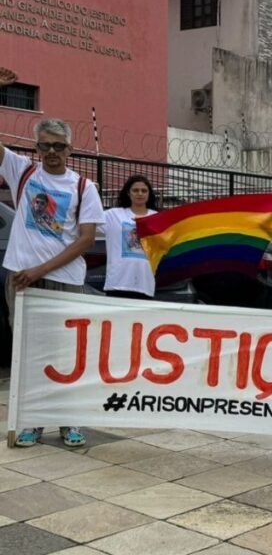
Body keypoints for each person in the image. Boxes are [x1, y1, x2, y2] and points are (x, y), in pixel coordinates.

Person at [0, 111, 104, 447]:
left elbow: (86, 238)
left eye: (58, 146)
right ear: (37, 147)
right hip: (21, 279)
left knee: (65, 353)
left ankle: (68, 419)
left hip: (63, 280)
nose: (51, 152)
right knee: (29, 352)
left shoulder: (84, 187)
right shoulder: (24, 173)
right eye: (45, 146)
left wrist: (40, 270)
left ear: (69, 149)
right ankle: (33, 420)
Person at [101, 175, 158, 300]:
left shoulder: (158, 218)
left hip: (145, 286)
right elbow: (88, 221)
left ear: (149, 194)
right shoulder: (113, 215)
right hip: (117, 285)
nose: (140, 193)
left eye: (144, 190)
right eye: (135, 190)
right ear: (128, 193)